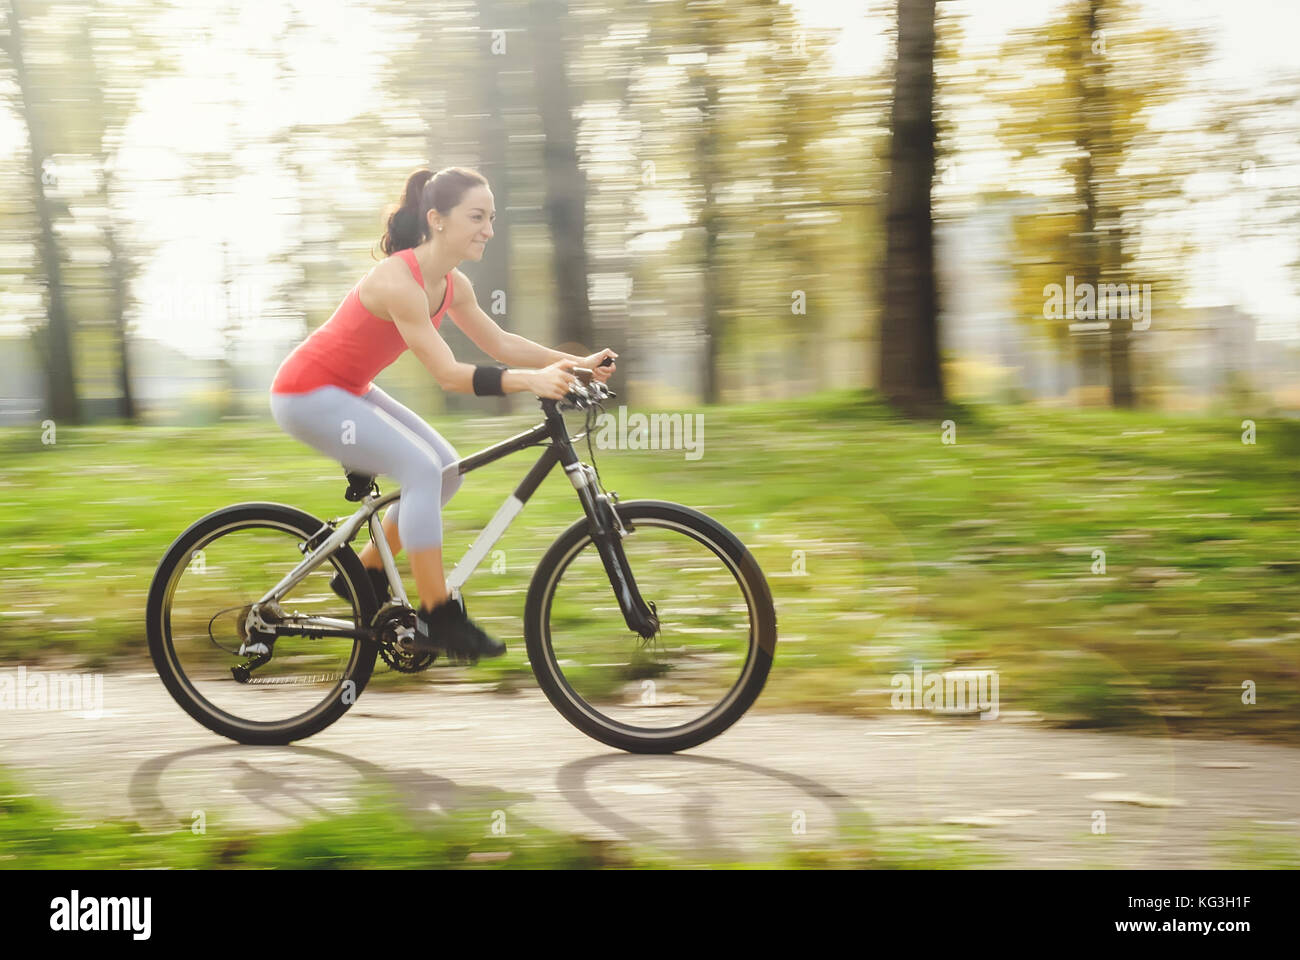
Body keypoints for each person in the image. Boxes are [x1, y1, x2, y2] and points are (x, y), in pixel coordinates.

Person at [268, 165, 617, 662]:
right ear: (436, 219)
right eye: (476, 217)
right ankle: (438, 614)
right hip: (304, 394)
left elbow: (499, 342)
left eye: (491, 218)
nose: (488, 230)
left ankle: (365, 573)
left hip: (348, 389)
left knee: (446, 470)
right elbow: (450, 375)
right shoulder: (398, 280)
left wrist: (574, 363)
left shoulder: (452, 284)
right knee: (420, 468)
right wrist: (530, 382)